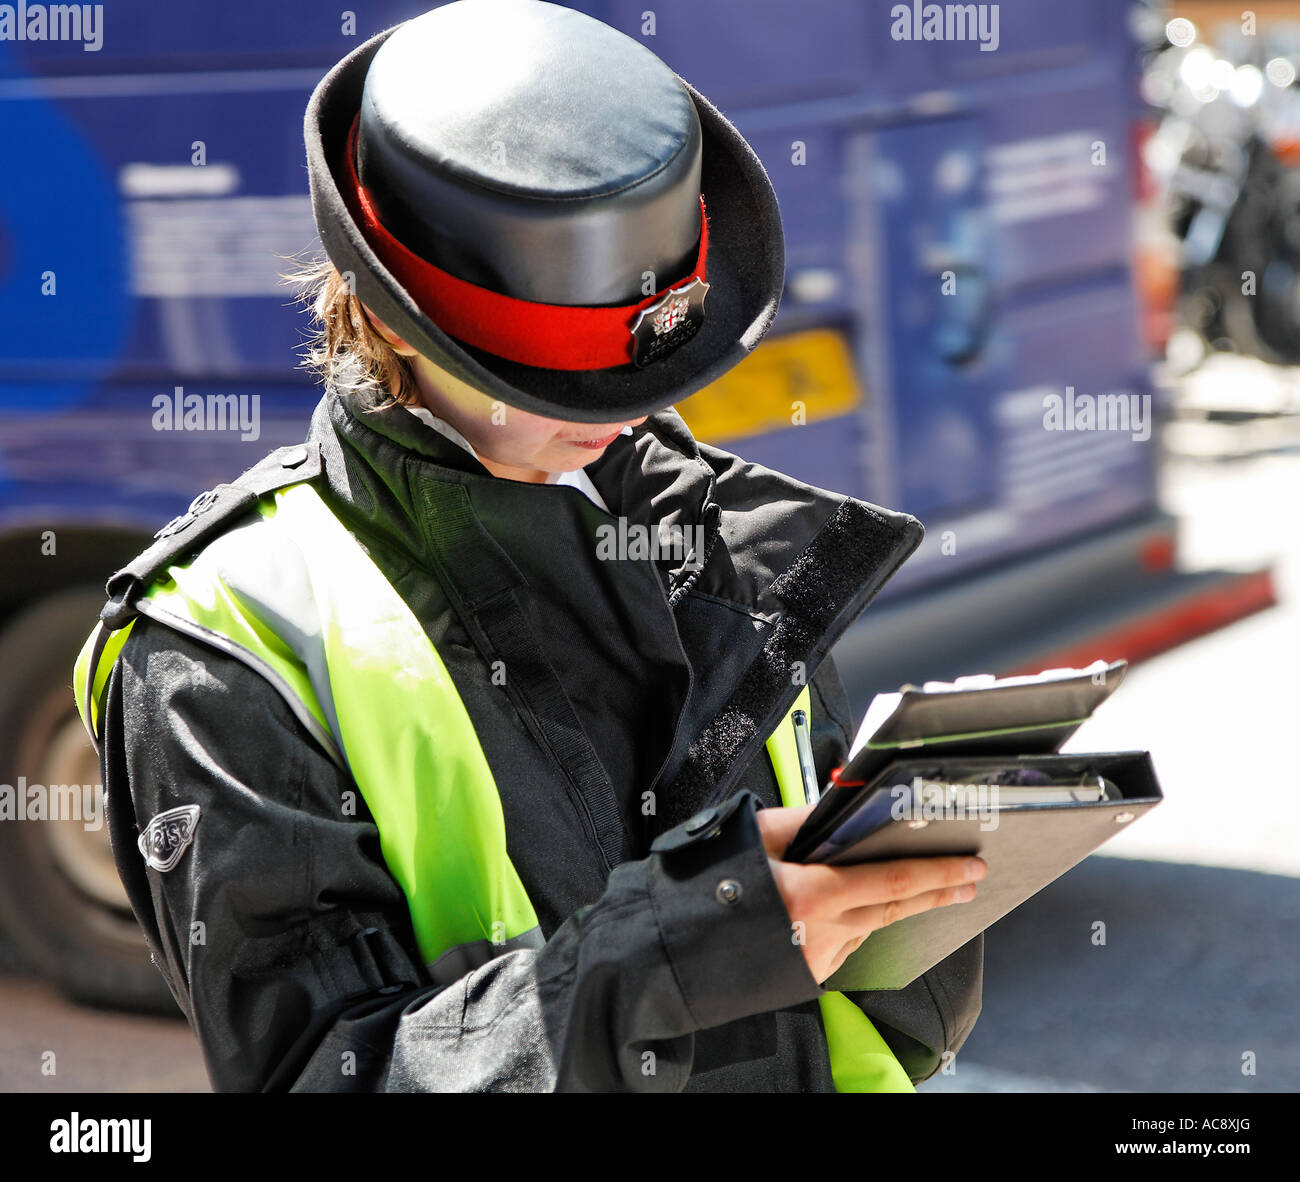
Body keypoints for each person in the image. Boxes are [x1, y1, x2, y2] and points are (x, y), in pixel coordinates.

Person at [74, 0, 985, 1092]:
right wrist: (694, 944)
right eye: (550, 380)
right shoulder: (229, 636)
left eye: (651, 369)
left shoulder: (718, 537)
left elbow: (859, 1015)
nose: (619, 413)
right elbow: (324, 1073)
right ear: (394, 317)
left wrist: (906, 903)